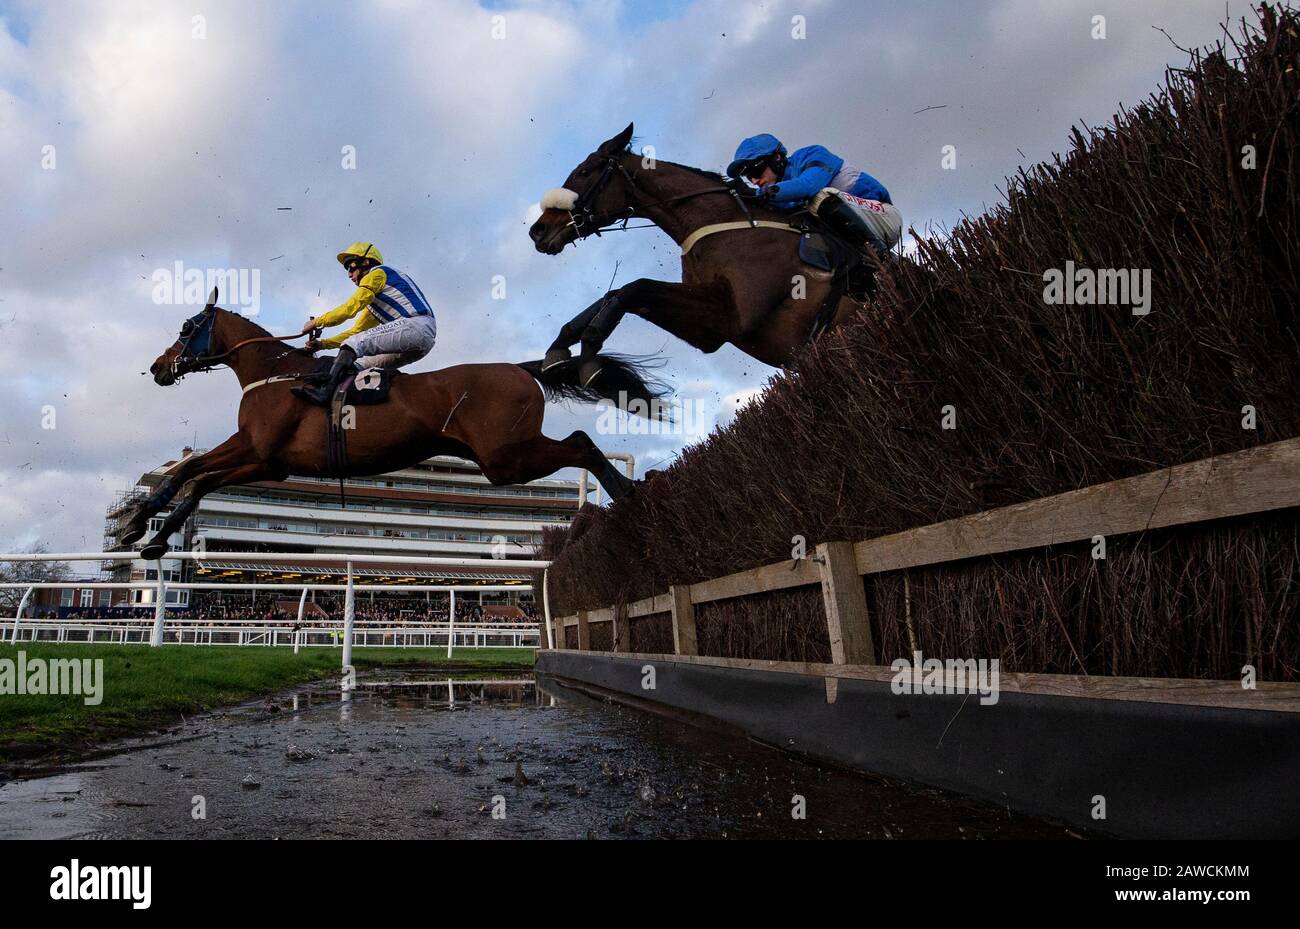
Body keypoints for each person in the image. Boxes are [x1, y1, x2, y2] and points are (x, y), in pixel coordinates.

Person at [292, 242, 437, 406]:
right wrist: (322, 344)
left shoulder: (377, 274)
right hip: (420, 342)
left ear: (365, 262)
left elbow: (349, 309)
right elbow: (356, 331)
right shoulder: (376, 299)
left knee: (352, 345)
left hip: (415, 326)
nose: (349, 274)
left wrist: (317, 322)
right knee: (357, 364)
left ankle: (324, 393)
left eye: (351, 267)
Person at [727, 133, 903, 257]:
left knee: (822, 197)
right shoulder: (775, 197)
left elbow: (808, 186)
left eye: (756, 169)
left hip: (885, 220)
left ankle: (879, 255)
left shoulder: (810, 154)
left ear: (777, 158)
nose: (754, 180)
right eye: (747, 176)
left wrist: (756, 194)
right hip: (842, 239)